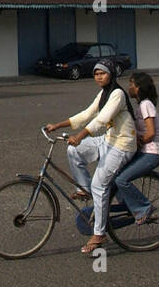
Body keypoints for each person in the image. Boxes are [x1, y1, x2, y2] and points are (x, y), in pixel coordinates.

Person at [44, 60, 137, 254]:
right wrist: (57, 126)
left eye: (102, 73)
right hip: (108, 140)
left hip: (122, 145)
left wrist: (78, 136)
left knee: (99, 185)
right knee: (73, 151)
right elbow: (86, 114)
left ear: (111, 74)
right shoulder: (103, 94)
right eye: (96, 74)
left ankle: (99, 233)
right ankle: (84, 189)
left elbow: (101, 120)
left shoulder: (117, 94)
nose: (99, 77)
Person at [114, 71, 159, 224]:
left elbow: (151, 133)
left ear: (139, 88)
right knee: (114, 172)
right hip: (143, 152)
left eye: (131, 84)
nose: (129, 87)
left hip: (151, 154)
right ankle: (129, 205)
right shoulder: (141, 106)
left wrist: (138, 140)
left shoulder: (146, 104)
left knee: (122, 179)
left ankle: (143, 208)